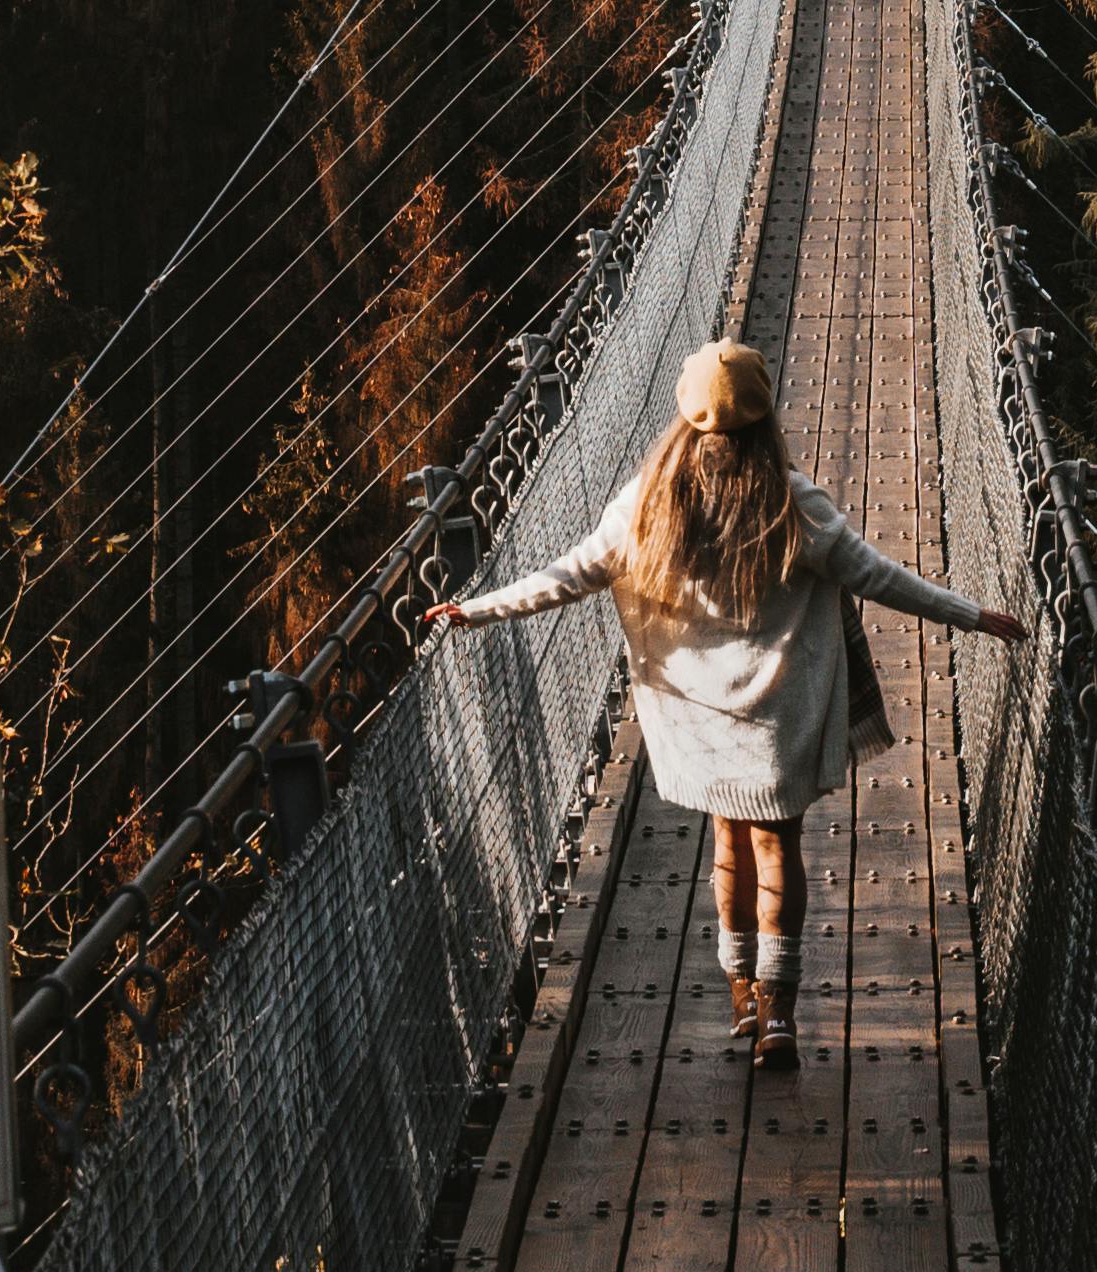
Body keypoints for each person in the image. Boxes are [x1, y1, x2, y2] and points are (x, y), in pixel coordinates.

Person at [424, 332, 1023, 1075]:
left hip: (699, 723)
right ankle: (778, 1006)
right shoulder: (789, 503)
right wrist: (972, 614)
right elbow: (878, 576)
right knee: (778, 849)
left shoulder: (650, 500)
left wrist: (474, 609)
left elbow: (570, 573)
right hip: (781, 719)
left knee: (729, 849)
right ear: (765, 414)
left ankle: (741, 989)